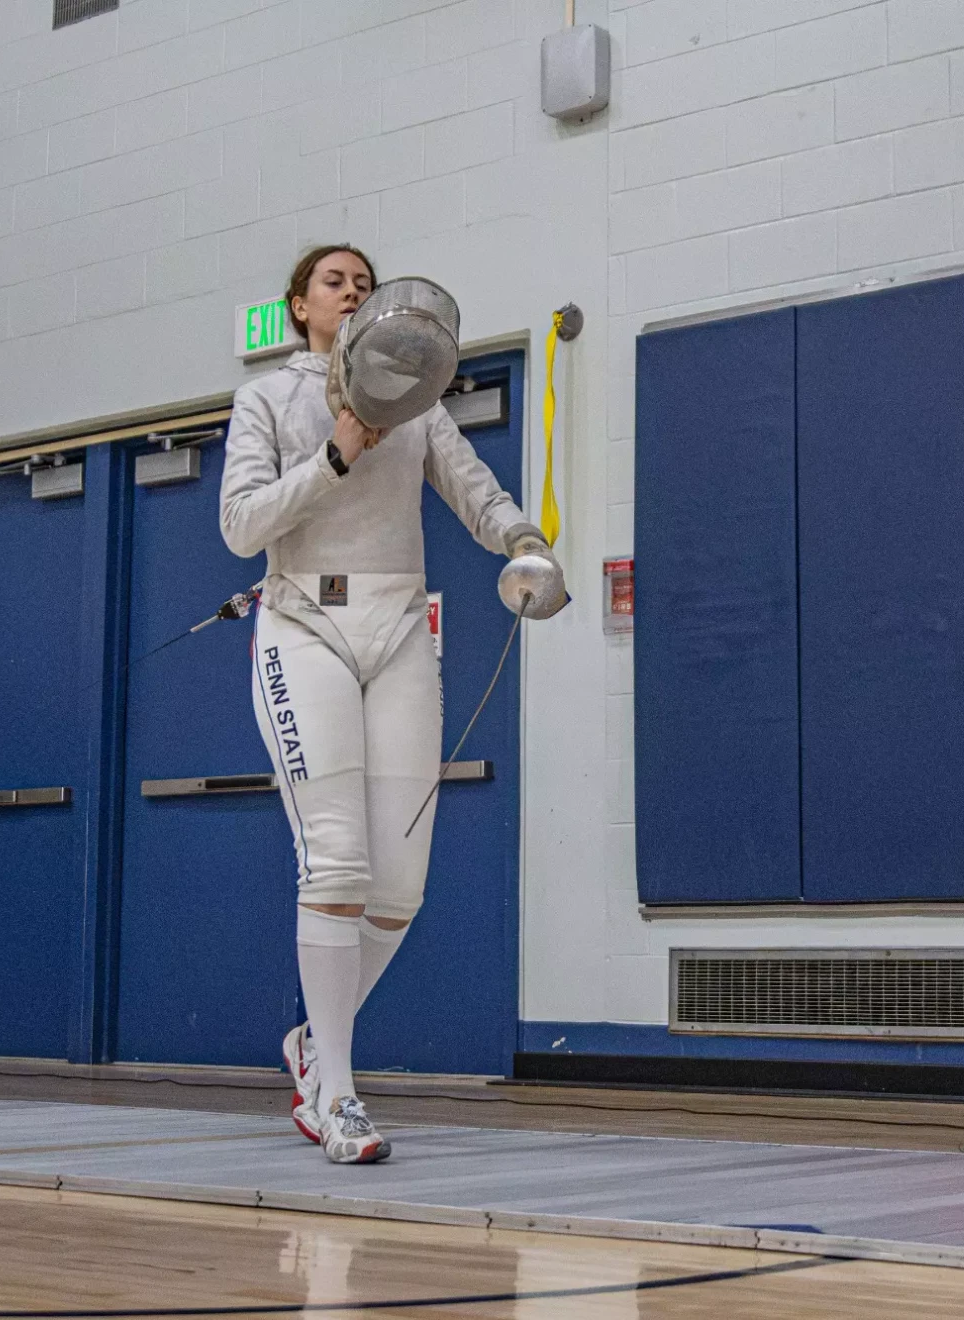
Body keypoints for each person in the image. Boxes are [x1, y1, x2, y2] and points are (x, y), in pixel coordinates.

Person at [220, 245, 559, 1164]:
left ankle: (309, 1047)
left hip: (400, 629)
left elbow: (473, 490)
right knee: (335, 867)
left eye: (365, 284)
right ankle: (337, 1093)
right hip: (302, 626)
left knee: (399, 889)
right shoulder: (269, 400)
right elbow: (242, 524)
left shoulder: (417, 406)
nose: (354, 293)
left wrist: (522, 540)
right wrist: (334, 454)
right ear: (300, 307)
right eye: (336, 282)